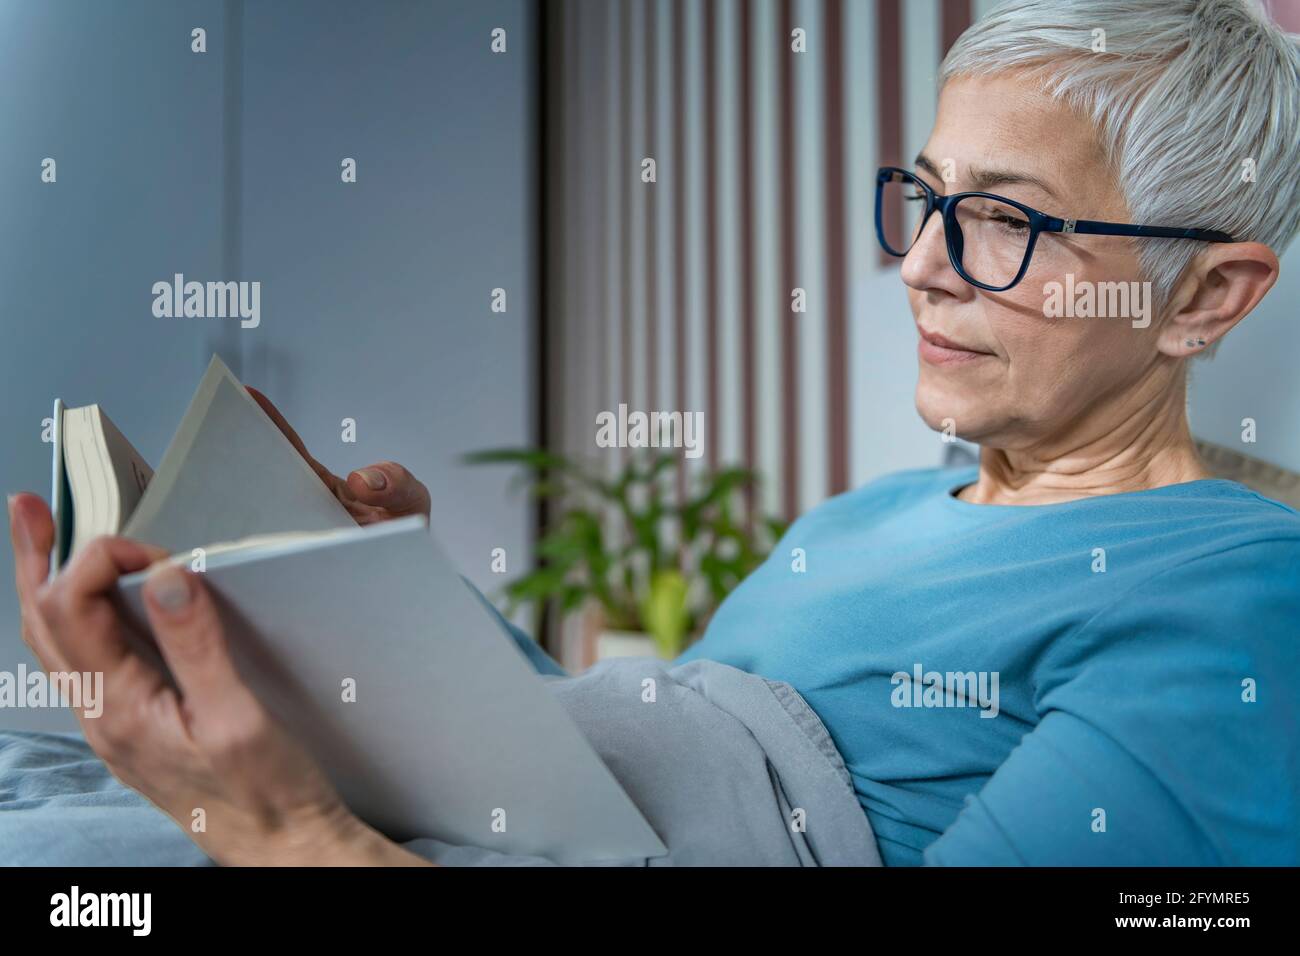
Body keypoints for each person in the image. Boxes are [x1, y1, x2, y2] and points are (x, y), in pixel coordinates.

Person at [7, 0, 1299, 865]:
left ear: (1206, 296)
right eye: (924, 200)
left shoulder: (1236, 597)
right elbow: (591, 753)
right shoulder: (868, 517)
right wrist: (390, 593)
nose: (920, 268)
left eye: (1006, 222)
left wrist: (289, 836)